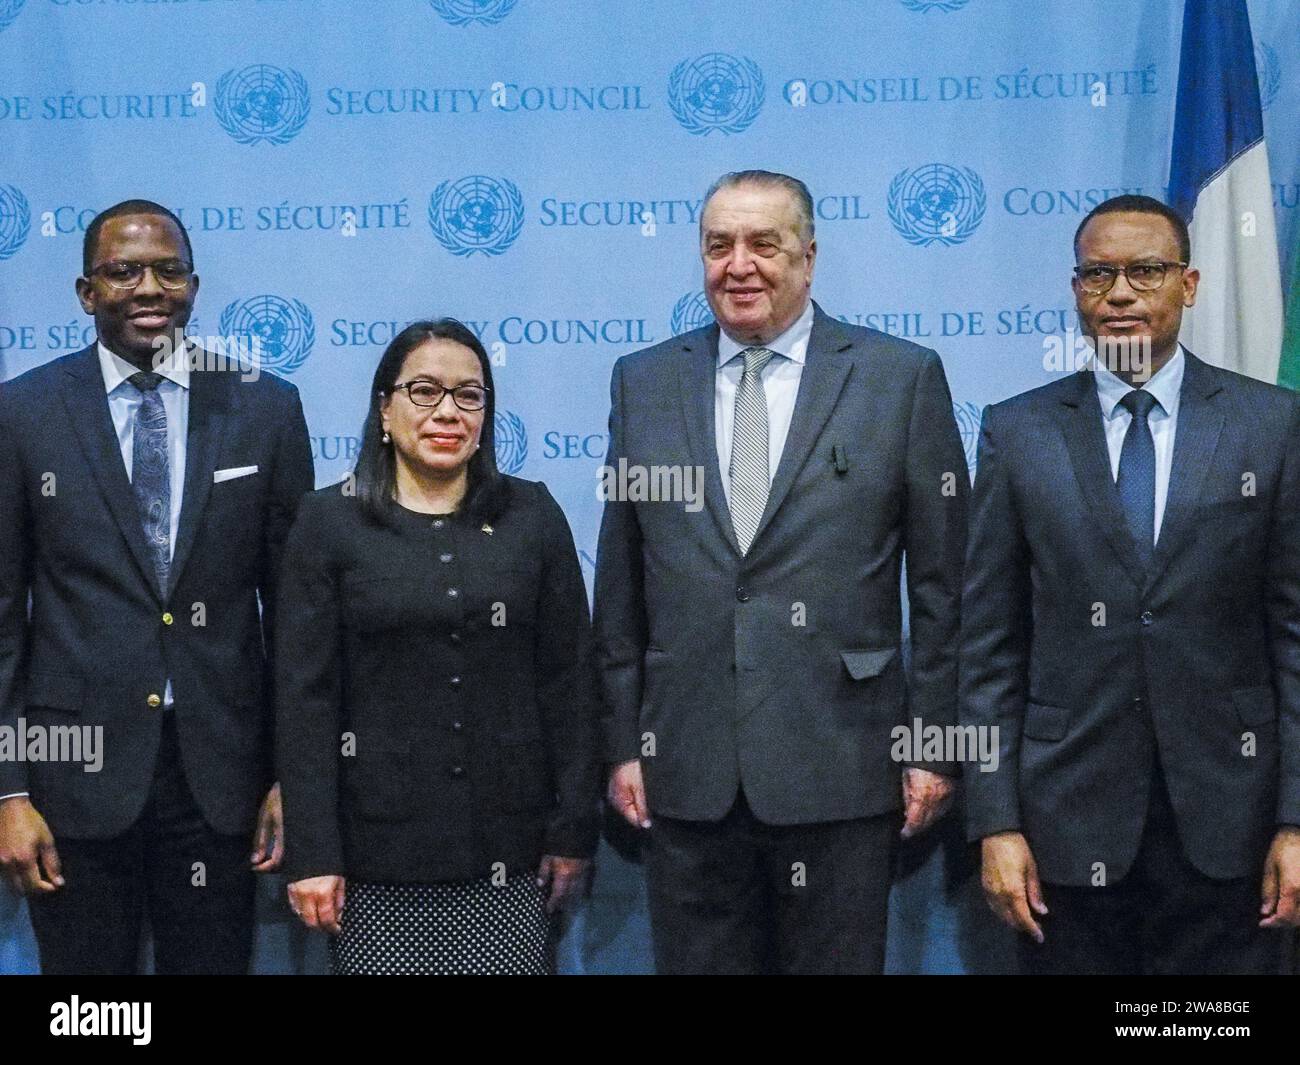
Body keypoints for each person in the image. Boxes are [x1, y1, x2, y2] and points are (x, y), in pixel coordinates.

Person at [594, 170, 969, 974]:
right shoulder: (644, 379)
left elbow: (946, 591)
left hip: (845, 763)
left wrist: (934, 744)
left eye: (764, 243)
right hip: (685, 768)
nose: (740, 265)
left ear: (809, 254)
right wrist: (623, 741)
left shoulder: (899, 377)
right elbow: (622, 583)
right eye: (718, 244)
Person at [961, 194, 1300, 974]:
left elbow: (1292, 636)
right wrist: (996, 822)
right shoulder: (1018, 432)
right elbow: (988, 643)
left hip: (1232, 824)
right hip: (1064, 828)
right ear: (1075, 288)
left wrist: (1294, 818)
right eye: (1097, 274)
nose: (1119, 293)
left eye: (1144, 271)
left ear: (1189, 284)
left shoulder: (1270, 427)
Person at [0, 199, 314, 974]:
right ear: (85, 291)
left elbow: (298, 615)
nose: (150, 286)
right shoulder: (22, 413)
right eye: (124, 271)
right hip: (70, 779)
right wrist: (7, 791)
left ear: (194, 285)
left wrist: (289, 775)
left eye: (168, 270)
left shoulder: (264, 406)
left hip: (221, 781)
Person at [276, 318, 599, 975]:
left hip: (512, 860)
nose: (448, 410)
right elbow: (303, 697)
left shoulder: (532, 516)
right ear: (384, 409)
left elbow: (570, 685)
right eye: (424, 391)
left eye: (469, 394)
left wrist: (572, 831)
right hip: (372, 862)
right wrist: (313, 851)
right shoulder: (328, 521)